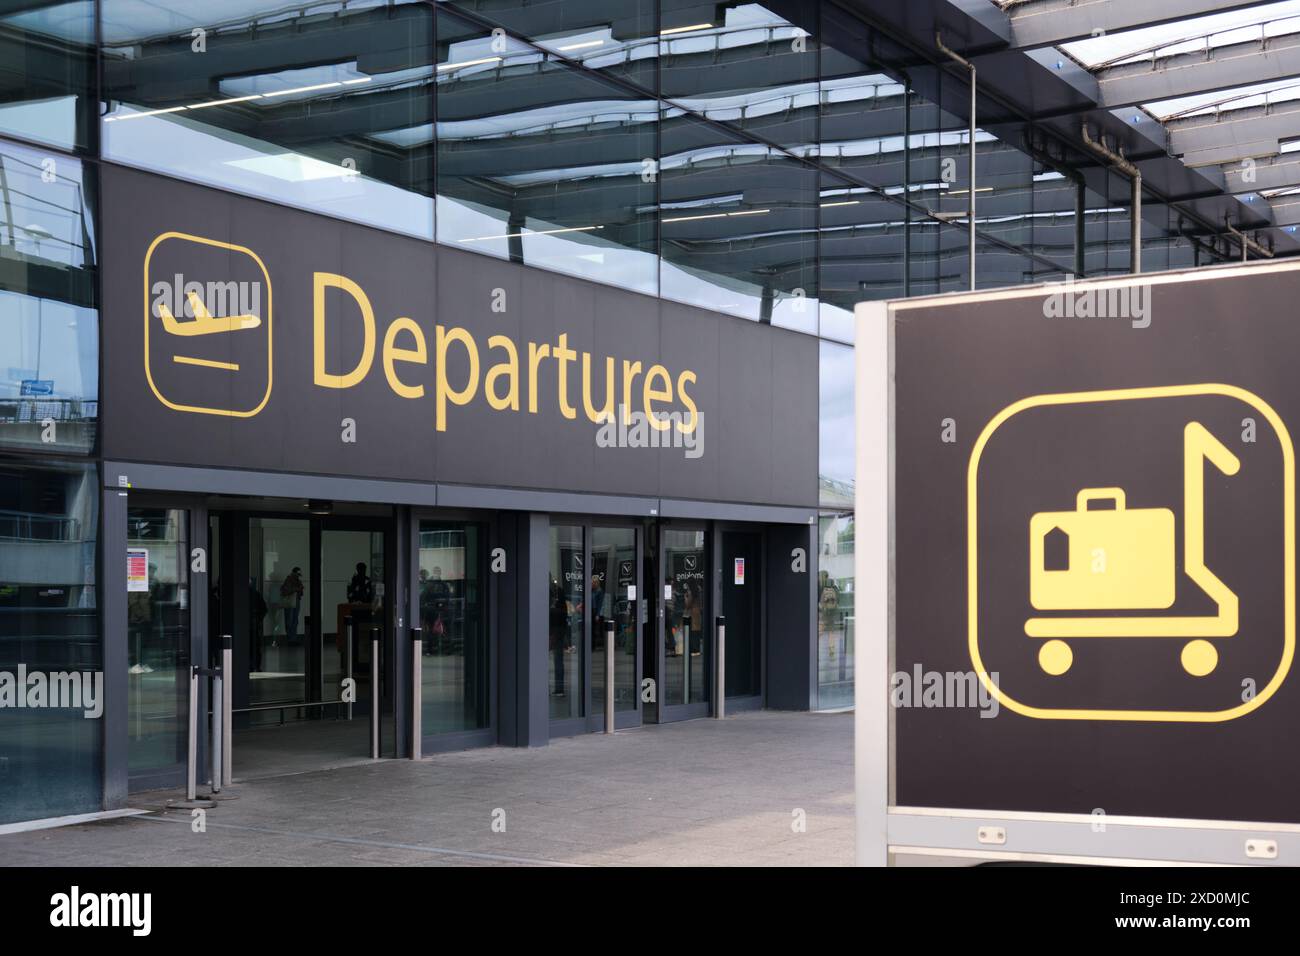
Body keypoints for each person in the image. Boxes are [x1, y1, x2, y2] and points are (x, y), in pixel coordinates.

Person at [280, 566, 304, 643]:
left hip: (296, 601)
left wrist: (300, 589)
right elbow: (285, 591)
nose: (298, 576)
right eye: (298, 574)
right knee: (290, 621)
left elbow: (300, 593)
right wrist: (297, 589)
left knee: (295, 620)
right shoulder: (288, 580)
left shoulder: (297, 581)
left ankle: (293, 638)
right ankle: (291, 639)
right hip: (290, 602)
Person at [249, 577, 268, 671]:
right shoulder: (256, 594)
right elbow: (264, 609)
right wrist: (258, 620)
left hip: (247, 625)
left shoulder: (240, 594)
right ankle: (256, 665)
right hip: (254, 624)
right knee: (255, 646)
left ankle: (250, 665)